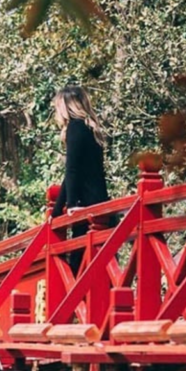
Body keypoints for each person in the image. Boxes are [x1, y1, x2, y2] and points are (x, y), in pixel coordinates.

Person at [50, 85, 109, 272]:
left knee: (80, 267)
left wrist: (71, 204)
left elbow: (72, 169)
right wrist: (57, 210)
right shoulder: (90, 128)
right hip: (99, 203)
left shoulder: (75, 127)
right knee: (99, 266)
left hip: (86, 208)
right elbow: (72, 174)